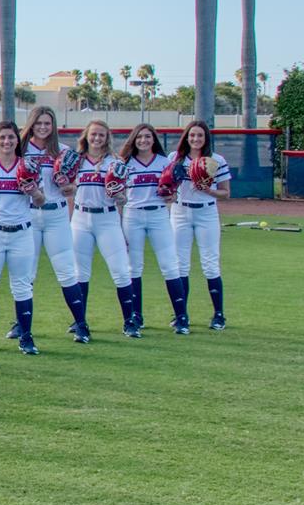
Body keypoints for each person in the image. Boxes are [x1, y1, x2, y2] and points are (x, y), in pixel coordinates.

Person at [16, 106, 90, 343]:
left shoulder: (64, 151)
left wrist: (69, 187)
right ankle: (21, 324)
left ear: (53, 126)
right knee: (26, 273)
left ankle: (81, 324)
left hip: (55, 214)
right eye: (38, 123)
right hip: (27, 214)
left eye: (47, 123)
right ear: (31, 124)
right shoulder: (20, 150)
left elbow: (73, 186)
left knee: (66, 270)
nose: (43, 127)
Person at [0, 121, 44, 355]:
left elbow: (41, 201)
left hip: (21, 232)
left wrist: (34, 191)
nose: (7, 141)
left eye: (11, 137)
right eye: (2, 137)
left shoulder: (28, 165)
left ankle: (26, 336)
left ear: (17, 140)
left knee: (22, 286)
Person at [69, 120, 141, 338]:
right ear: (86, 136)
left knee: (121, 270)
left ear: (107, 137)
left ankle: (129, 321)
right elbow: (66, 190)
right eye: (93, 134)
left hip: (107, 218)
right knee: (80, 273)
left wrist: (119, 196)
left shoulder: (115, 162)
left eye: (101, 135)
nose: (97, 138)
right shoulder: (75, 160)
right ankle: (80, 322)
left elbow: (123, 197)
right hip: (81, 218)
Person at [119, 122, 192, 334]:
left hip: (158, 214)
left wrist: (171, 194)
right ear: (134, 140)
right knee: (133, 267)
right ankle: (136, 315)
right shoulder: (125, 163)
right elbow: (118, 195)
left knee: (170, 265)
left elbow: (173, 194)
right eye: (140, 137)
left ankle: (181, 316)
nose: (143, 140)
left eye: (148, 137)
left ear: (154, 140)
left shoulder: (164, 162)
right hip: (132, 215)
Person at [169, 119, 233, 330]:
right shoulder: (175, 158)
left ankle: (219, 314)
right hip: (180, 211)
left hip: (206, 212)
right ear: (186, 137)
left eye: (200, 135)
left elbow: (226, 193)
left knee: (210, 263)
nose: (195, 139)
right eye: (192, 135)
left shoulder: (216, 159)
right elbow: (166, 186)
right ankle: (181, 315)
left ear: (206, 138)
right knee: (180, 264)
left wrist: (208, 190)